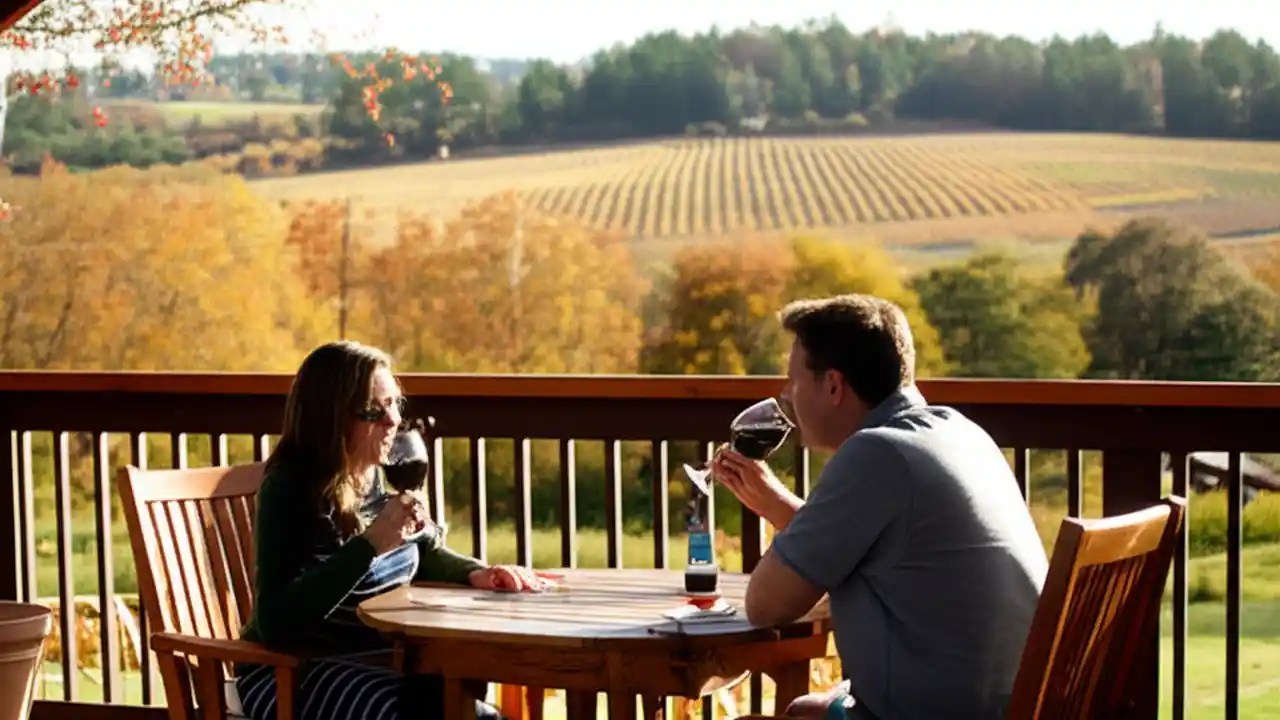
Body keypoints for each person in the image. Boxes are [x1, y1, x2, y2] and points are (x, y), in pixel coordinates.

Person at [712, 295, 1048, 720]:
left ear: (833, 386)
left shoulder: (876, 453)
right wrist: (774, 504)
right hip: (1013, 704)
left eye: (793, 380)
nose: (785, 394)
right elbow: (884, 548)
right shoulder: (960, 433)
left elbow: (766, 606)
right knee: (803, 710)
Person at [234, 340, 549, 720]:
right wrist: (369, 546)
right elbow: (276, 622)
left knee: (471, 710)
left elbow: (423, 551)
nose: (393, 421)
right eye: (373, 410)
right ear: (330, 418)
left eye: (394, 405)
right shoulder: (290, 488)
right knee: (424, 709)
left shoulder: (372, 477)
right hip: (291, 671)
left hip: (378, 662)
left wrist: (475, 572)